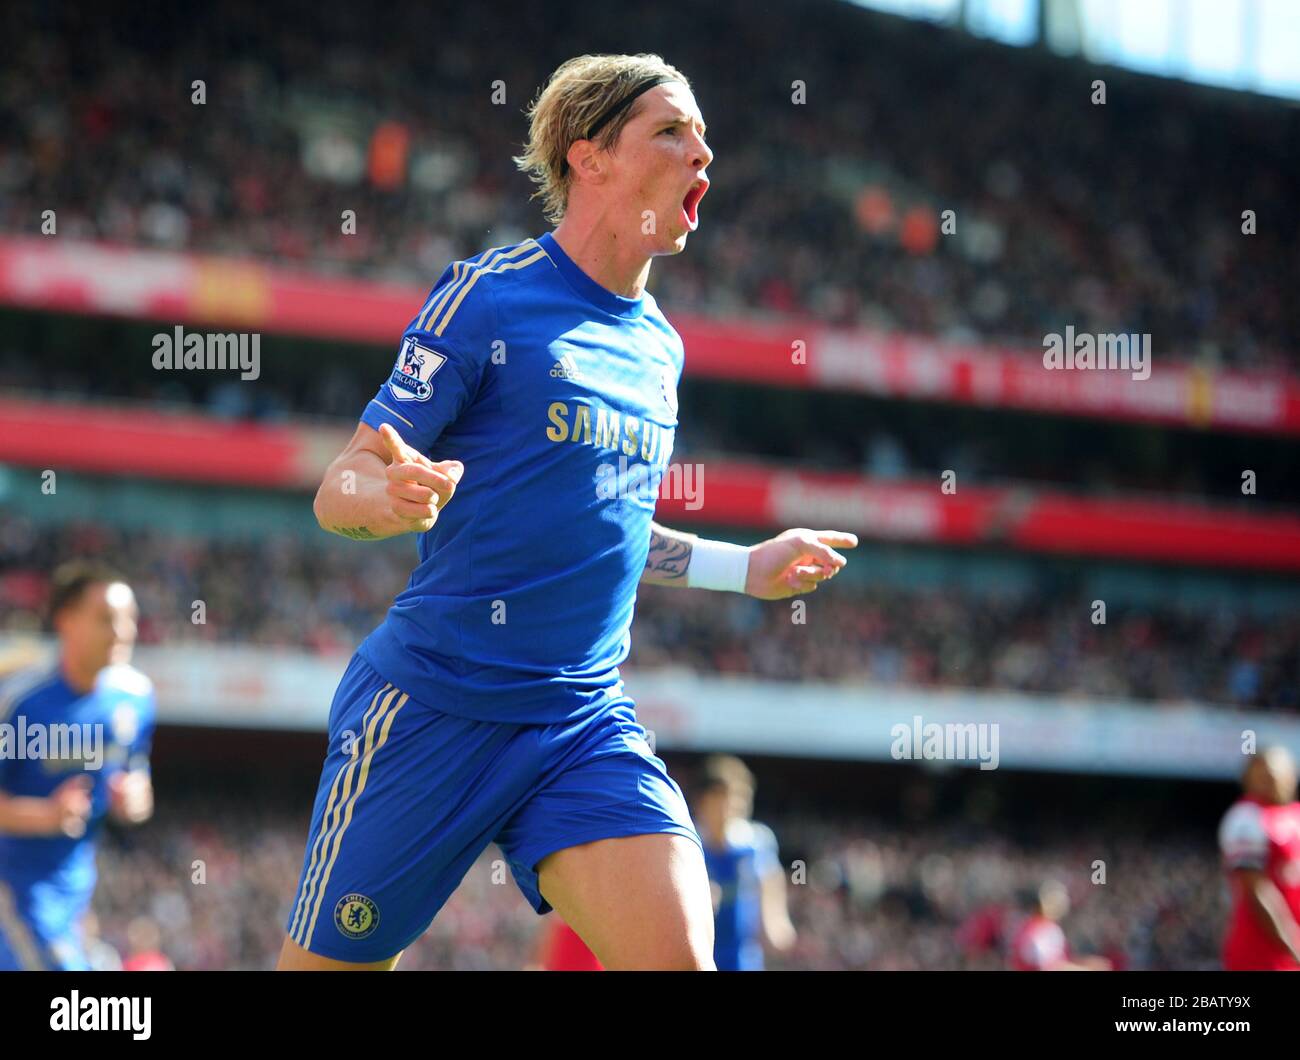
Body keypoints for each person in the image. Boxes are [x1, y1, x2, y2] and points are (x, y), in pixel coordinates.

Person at [277, 52, 857, 971]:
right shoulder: (490, 296)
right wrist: (381, 500)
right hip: (431, 707)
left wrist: (742, 568)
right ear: (589, 160)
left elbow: (615, 525)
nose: (703, 151)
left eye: (703, 134)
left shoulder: (661, 348)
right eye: (672, 130)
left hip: (580, 723)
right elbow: (338, 487)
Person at [0, 561, 156, 970]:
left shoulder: (135, 698)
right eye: (107, 618)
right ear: (66, 620)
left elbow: (137, 778)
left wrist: (137, 799)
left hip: (74, 893)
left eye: (130, 619)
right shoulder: (19, 702)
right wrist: (46, 815)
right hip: (13, 889)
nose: (123, 631)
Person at [694, 755, 795, 970]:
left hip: (744, 959)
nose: (732, 809)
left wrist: (776, 925)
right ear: (703, 802)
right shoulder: (689, 844)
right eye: (724, 799)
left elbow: (772, 896)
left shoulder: (757, 844)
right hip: (699, 957)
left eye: (741, 800)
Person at [1218, 745, 1300, 970]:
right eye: (1261, 773)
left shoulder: (1294, 815)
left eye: (1273, 773)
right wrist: (1293, 945)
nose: (1268, 779)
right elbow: (1257, 891)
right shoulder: (1246, 819)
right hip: (1263, 954)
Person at [1009, 881, 1111, 971]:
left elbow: (1058, 961)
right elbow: (1047, 967)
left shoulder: (1044, 926)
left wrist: (1085, 964)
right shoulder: (1038, 929)